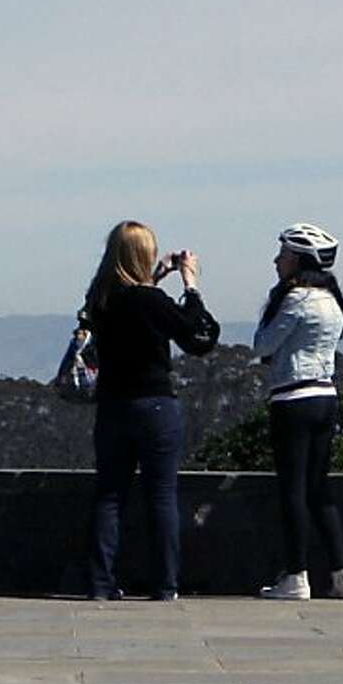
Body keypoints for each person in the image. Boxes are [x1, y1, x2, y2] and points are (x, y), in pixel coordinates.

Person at [83, 220, 220, 601]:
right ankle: (164, 583)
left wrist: (155, 279)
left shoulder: (100, 298)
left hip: (112, 406)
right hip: (155, 404)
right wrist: (190, 283)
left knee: (109, 495)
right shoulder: (151, 301)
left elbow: (133, 305)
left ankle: (100, 582)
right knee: (160, 495)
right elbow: (195, 335)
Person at [251, 223, 343, 601]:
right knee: (319, 489)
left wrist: (271, 306)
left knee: (293, 490)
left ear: (298, 259)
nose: (277, 261)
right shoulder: (332, 300)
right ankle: (341, 575)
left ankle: (296, 576)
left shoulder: (294, 299)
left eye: (282, 254)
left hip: (291, 398)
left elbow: (263, 344)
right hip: (326, 396)